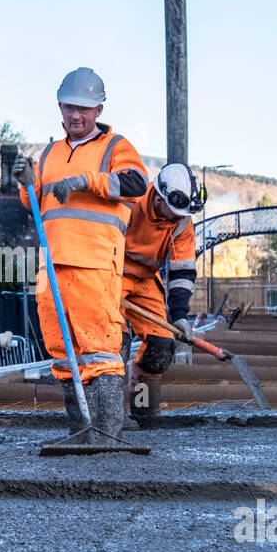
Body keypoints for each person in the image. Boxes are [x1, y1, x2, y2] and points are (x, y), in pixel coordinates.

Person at [12, 67, 148, 439]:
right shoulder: (50, 152)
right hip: (52, 268)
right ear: (60, 106)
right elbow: (35, 204)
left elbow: (137, 184)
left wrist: (89, 180)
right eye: (70, 107)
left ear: (99, 110)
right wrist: (25, 182)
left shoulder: (115, 147)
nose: (76, 115)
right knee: (63, 353)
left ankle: (106, 434)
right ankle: (80, 432)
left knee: (101, 353)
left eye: (84, 109)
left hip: (94, 264)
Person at [121, 164, 203, 424]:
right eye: (176, 212)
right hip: (110, 274)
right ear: (157, 196)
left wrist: (179, 315)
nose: (179, 218)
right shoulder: (128, 203)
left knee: (161, 346)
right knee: (113, 344)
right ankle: (110, 417)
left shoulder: (182, 223)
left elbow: (183, 269)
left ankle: (143, 414)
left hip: (145, 279)